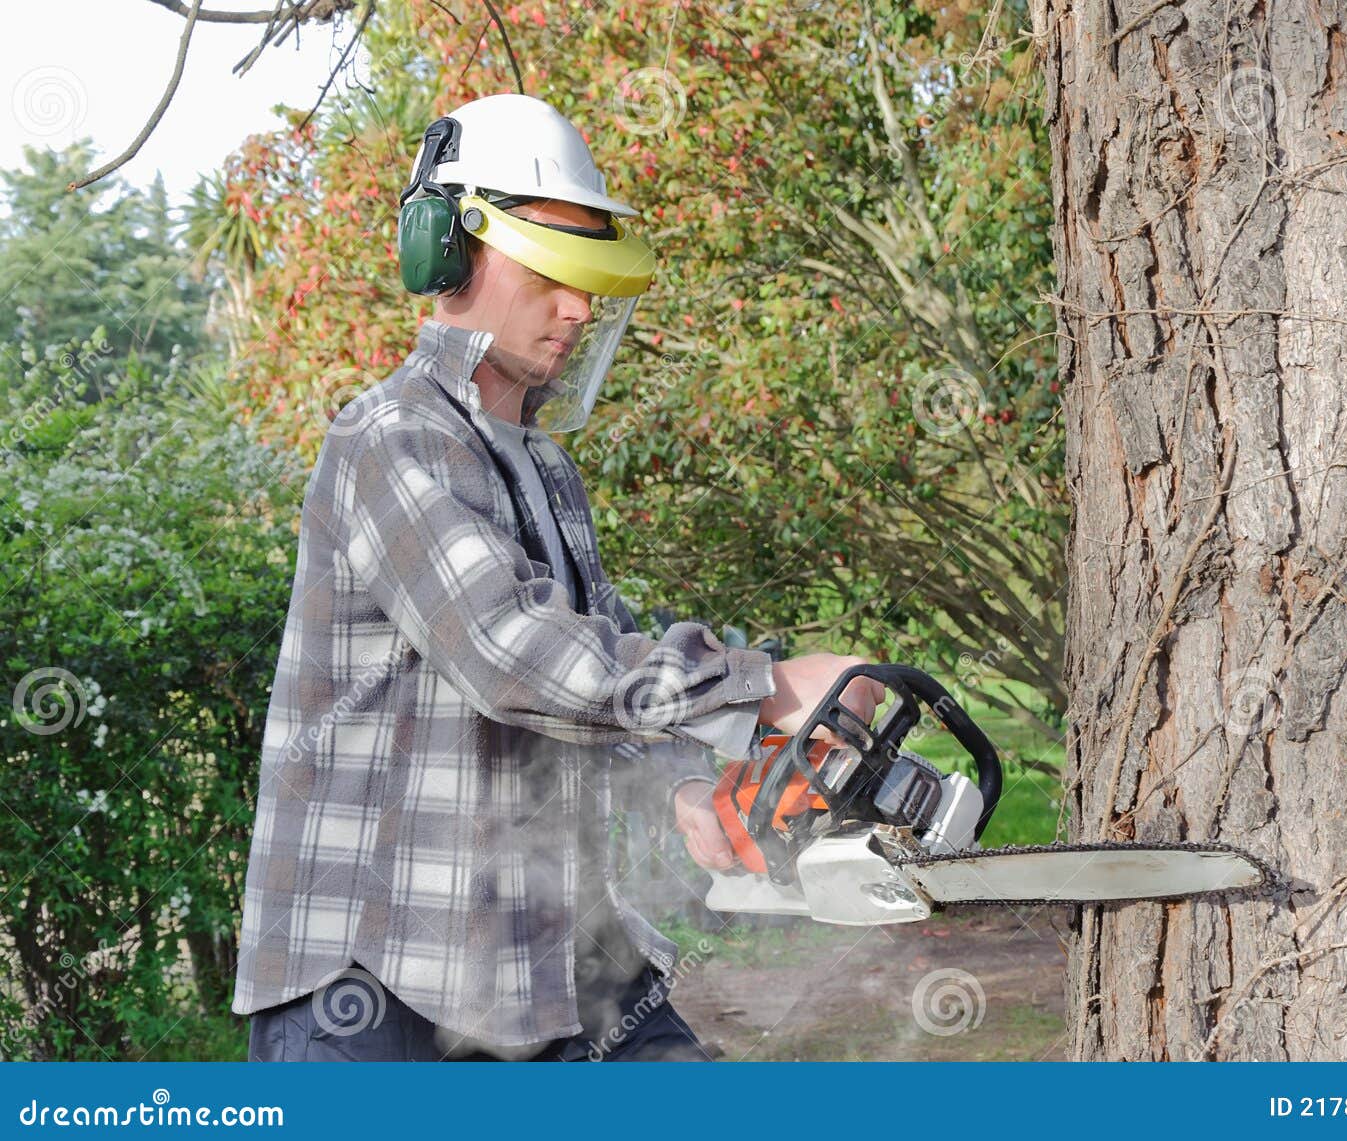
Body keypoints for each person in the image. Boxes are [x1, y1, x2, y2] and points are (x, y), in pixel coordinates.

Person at [232, 93, 884, 1061]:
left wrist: (685, 789)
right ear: (450, 249)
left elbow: (590, 674)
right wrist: (769, 687)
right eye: (550, 272)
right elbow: (510, 652)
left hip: (539, 962)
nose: (578, 307)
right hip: (374, 989)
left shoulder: (544, 468)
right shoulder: (389, 440)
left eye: (587, 279)